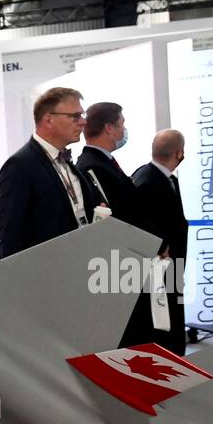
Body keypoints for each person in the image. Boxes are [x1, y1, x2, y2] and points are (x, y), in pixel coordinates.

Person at [76, 102, 162, 349]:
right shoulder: (91, 166)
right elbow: (121, 213)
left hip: (133, 256)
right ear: (109, 128)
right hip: (120, 262)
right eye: (122, 124)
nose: (124, 130)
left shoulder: (106, 163)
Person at [0, 87, 99, 259]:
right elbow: (10, 235)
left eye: (82, 116)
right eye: (75, 116)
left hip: (80, 267)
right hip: (47, 274)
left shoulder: (67, 162)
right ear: (49, 120)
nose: (82, 122)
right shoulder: (20, 165)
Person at [133, 130, 189, 355]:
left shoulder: (166, 178)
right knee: (162, 320)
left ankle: (176, 358)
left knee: (173, 313)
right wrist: (160, 246)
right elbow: (139, 218)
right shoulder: (148, 179)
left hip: (171, 263)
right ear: (179, 153)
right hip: (159, 265)